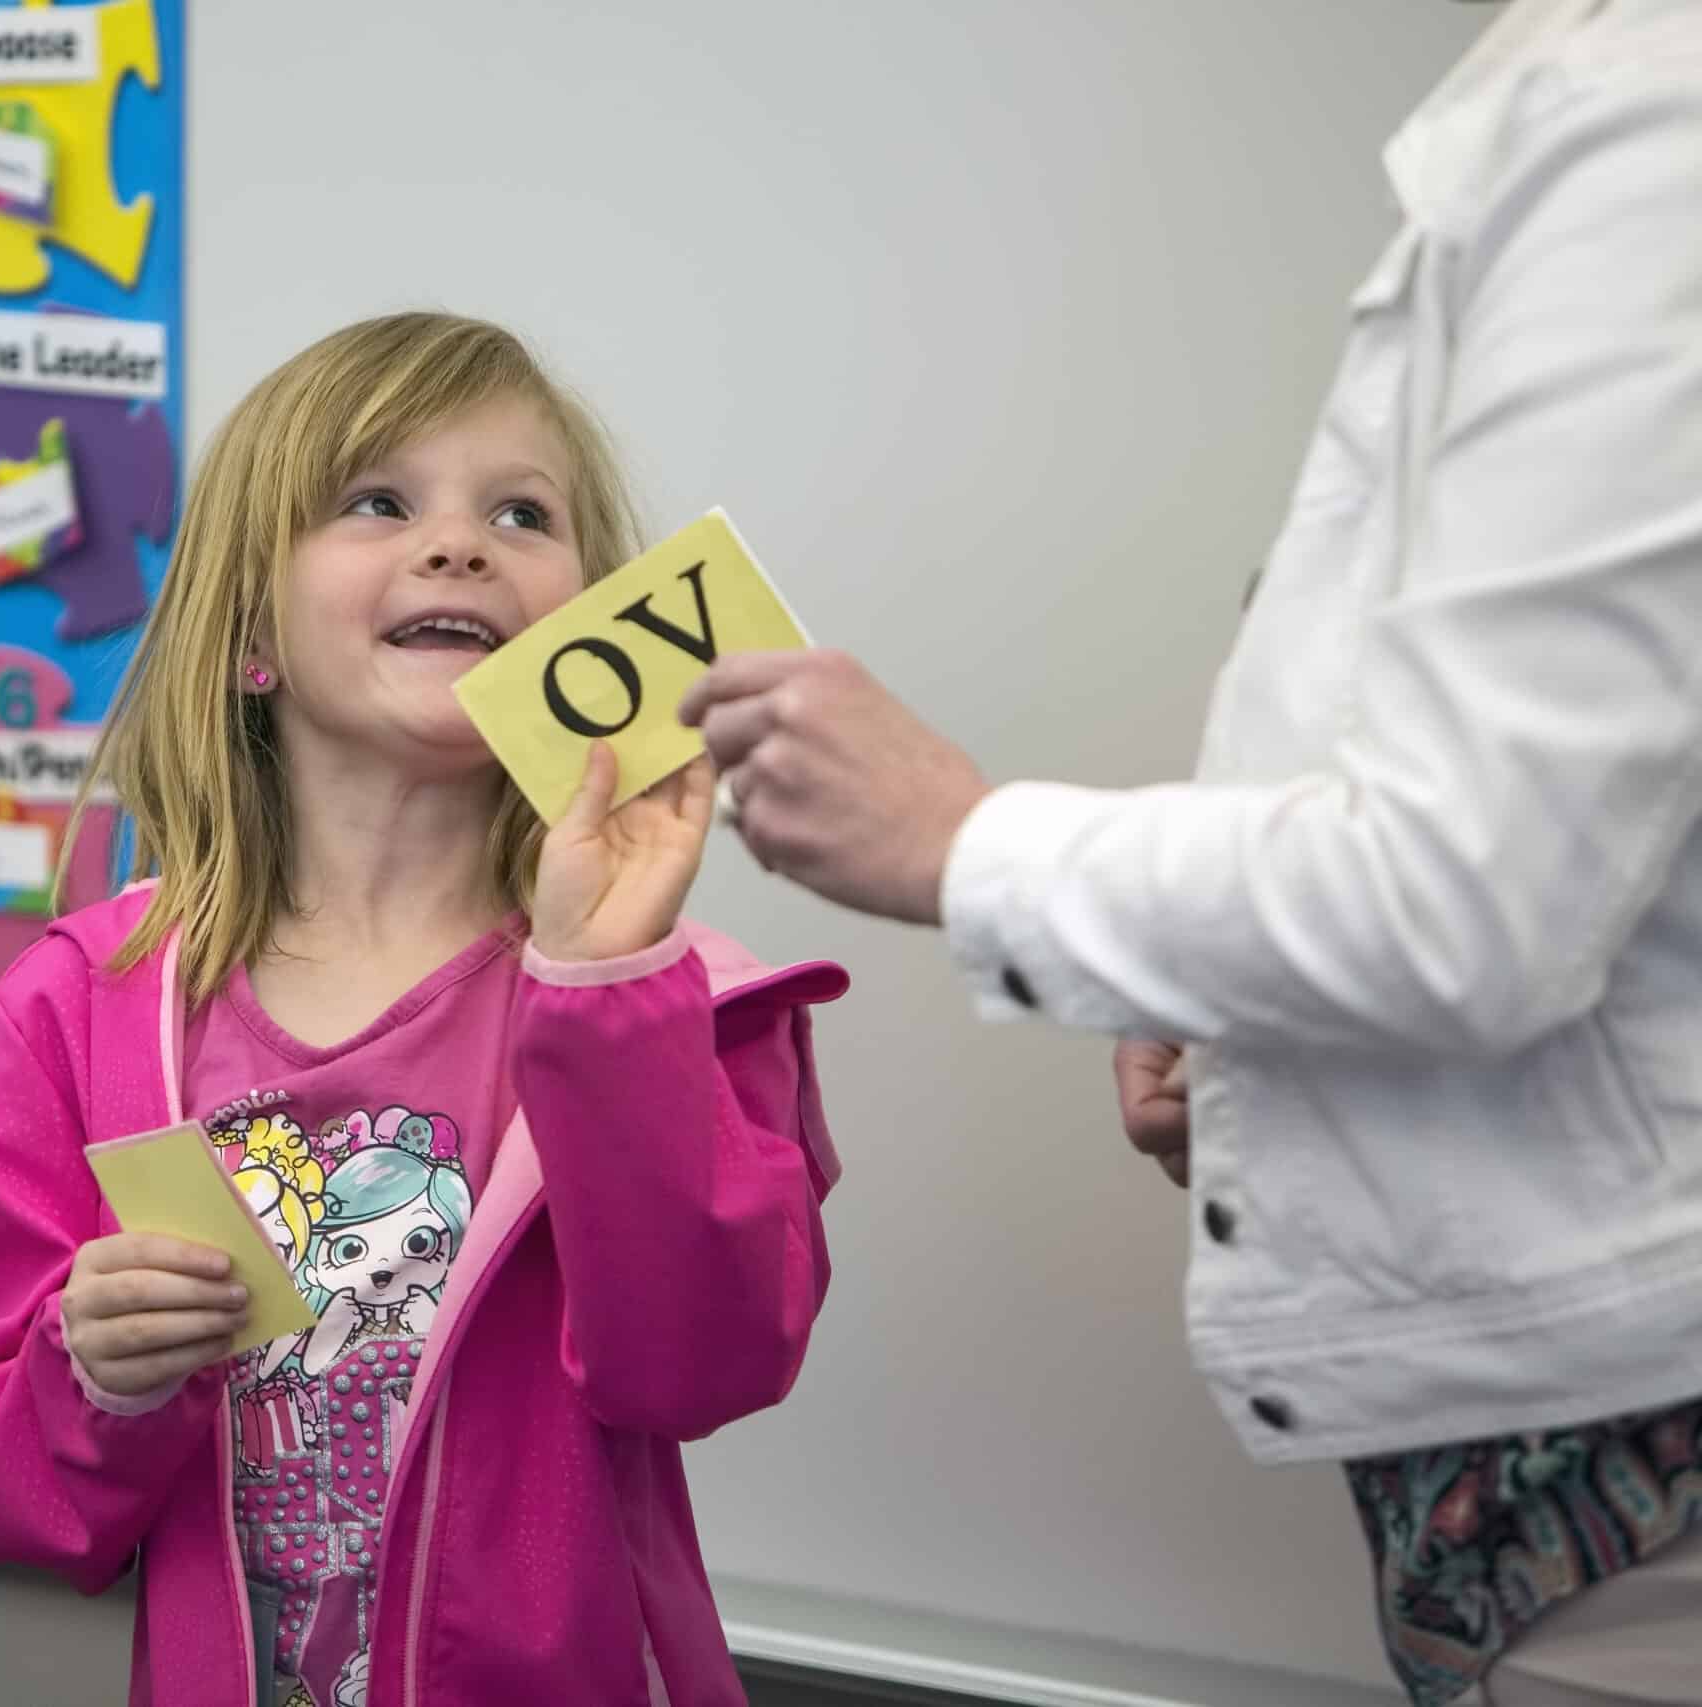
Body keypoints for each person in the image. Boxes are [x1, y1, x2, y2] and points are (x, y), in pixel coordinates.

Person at [681, 3, 1702, 1703]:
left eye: (513, 515)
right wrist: (1281, 1073)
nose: (456, 557)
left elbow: (1471, 900)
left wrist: (961, 837)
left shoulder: (1646, 125)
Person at [0, 312, 848, 1707]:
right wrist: (91, 1375)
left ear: (591, 625)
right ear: (246, 636)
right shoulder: (71, 1012)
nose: (460, 543)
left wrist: (603, 987)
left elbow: (700, 1370)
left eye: (522, 512)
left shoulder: (685, 999)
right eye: (377, 502)